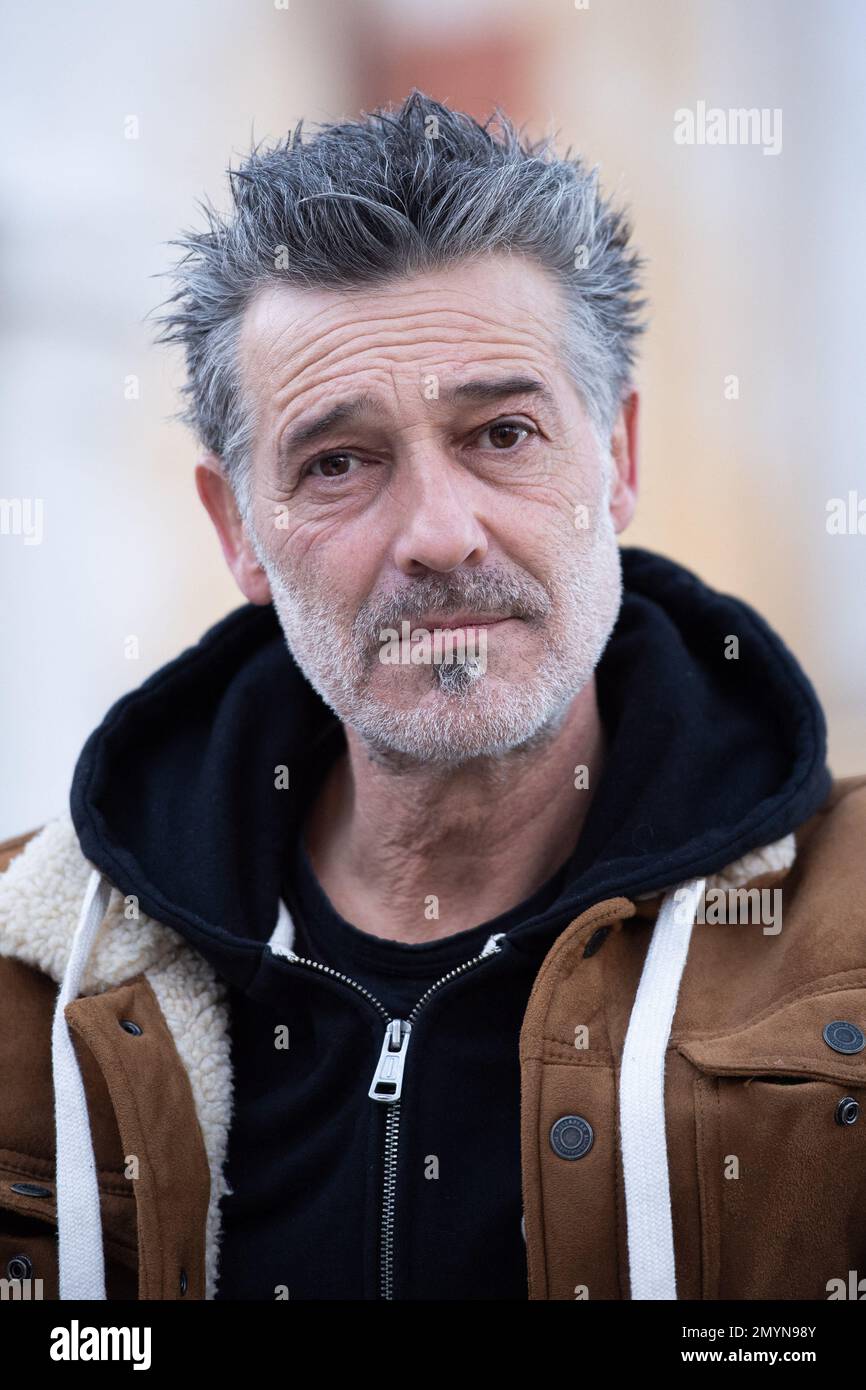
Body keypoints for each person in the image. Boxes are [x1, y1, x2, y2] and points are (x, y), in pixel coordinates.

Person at [1, 90, 863, 1303]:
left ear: (614, 459)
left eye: (501, 433)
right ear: (237, 530)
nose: (439, 535)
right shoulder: (26, 968)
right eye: (338, 461)